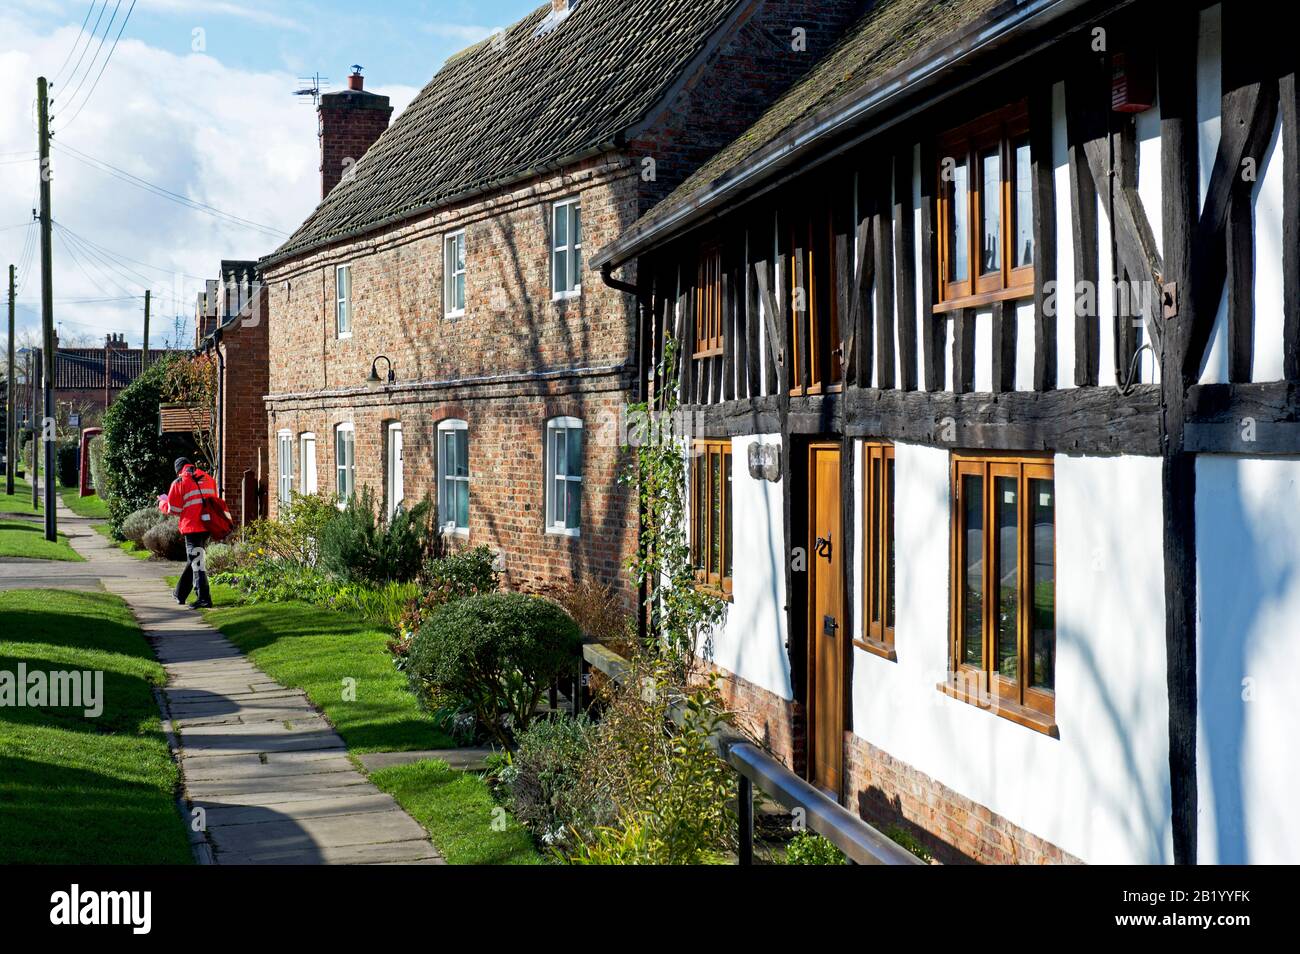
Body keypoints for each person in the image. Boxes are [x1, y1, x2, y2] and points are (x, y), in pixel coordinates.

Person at [163, 457, 217, 608]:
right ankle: (180, 593)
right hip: (207, 525)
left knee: (197, 562)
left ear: (178, 470)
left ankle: (204, 598)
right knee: (195, 559)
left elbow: (174, 509)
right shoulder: (208, 478)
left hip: (191, 527)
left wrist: (162, 503)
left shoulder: (179, 482)